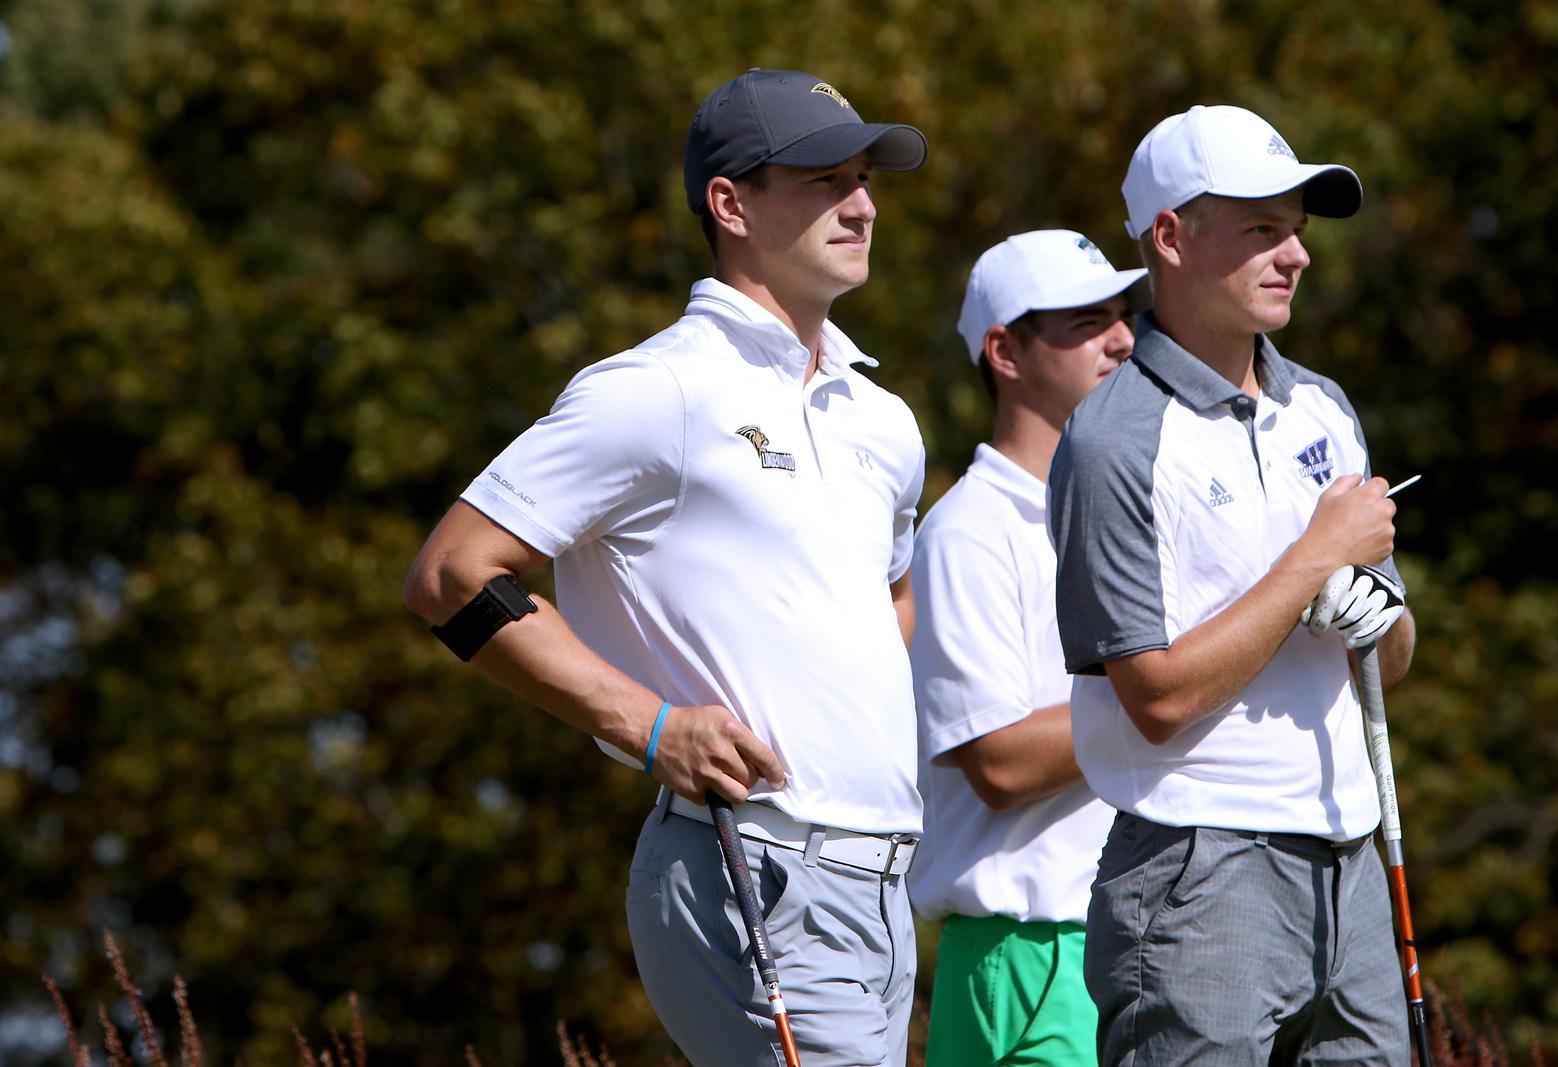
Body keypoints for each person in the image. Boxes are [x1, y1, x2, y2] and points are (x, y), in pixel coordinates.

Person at [403, 69, 929, 1067]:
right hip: (755, 863)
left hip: (882, 883)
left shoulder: (885, 420)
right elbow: (453, 573)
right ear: (729, 204)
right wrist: (648, 727)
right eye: (822, 178)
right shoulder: (657, 389)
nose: (860, 204)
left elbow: (885, 598)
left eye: (863, 178)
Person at [1045, 104, 1419, 1065]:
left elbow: (1395, 656)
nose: (1294, 254)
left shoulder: (1322, 408)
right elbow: (1157, 698)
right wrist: (1313, 562)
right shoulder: (1110, 440)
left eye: (1297, 228)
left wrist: (1373, 608)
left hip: (1352, 859)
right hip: (1196, 872)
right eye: (1261, 227)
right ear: (1169, 236)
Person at [907, 230, 1147, 1066]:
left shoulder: (1138, 511)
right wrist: (1186, 685)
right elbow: (1001, 762)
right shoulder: (967, 533)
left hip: (1140, 938)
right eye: (1087, 322)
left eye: (1124, 316)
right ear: (1004, 351)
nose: (1122, 339)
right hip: (1031, 954)